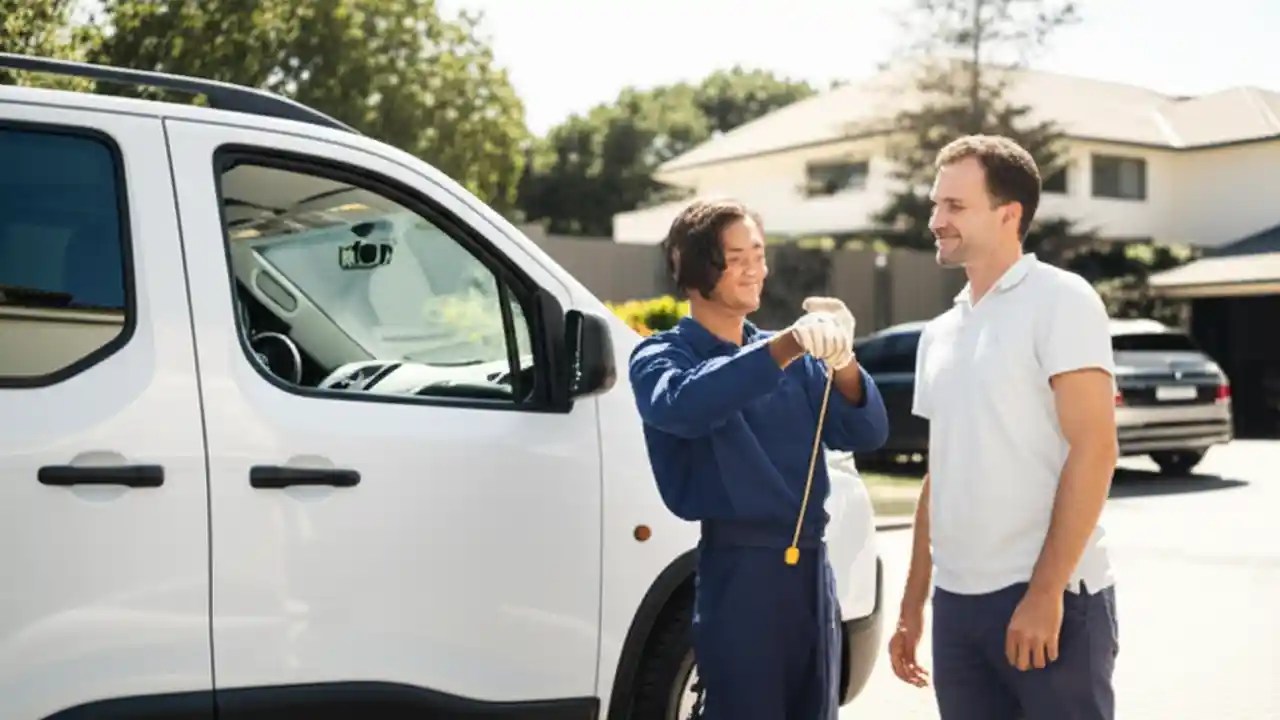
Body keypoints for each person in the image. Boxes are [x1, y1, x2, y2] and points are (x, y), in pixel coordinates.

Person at [887, 135, 1121, 720]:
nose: (937, 220)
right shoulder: (939, 332)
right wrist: (914, 603)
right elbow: (939, 475)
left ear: (1009, 213)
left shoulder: (1061, 300)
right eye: (936, 205)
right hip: (959, 608)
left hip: (1052, 598)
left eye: (955, 207)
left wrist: (1045, 593)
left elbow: (1095, 450)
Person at [628, 198, 890, 720]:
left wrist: (844, 361)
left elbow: (866, 429)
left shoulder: (792, 355)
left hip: (813, 569)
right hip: (739, 573)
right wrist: (785, 348)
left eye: (760, 254)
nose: (756, 269)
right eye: (737, 256)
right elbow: (683, 405)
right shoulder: (662, 356)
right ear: (698, 266)